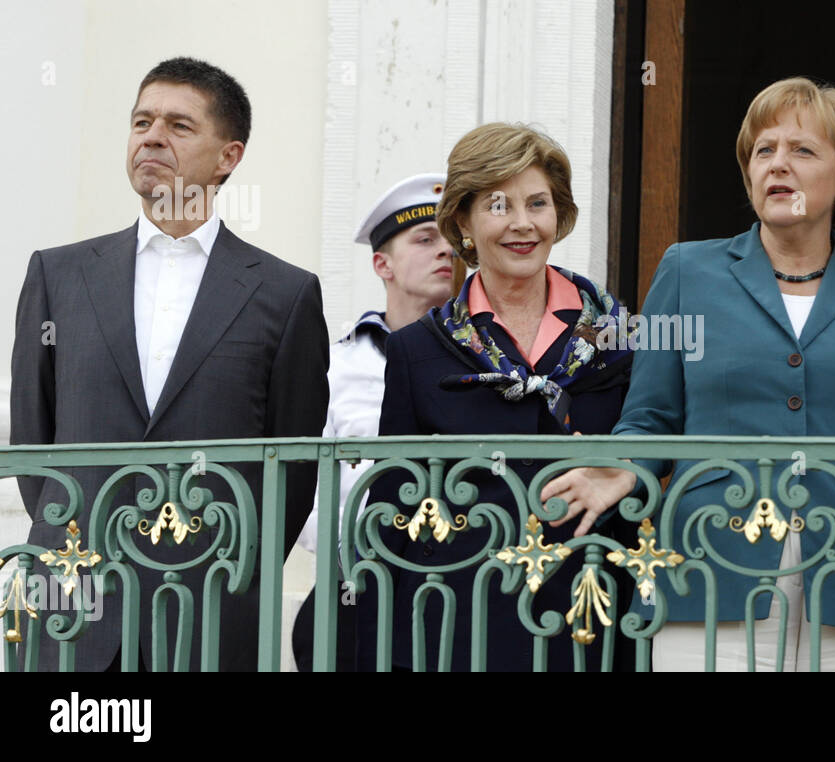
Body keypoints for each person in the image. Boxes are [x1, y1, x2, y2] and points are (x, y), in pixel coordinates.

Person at [543, 77, 835, 672]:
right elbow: (651, 419)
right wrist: (624, 464)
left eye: (802, 150)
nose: (778, 165)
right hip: (709, 576)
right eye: (763, 150)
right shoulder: (689, 270)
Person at [9, 57, 329, 671]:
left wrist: (238, 571)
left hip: (211, 609)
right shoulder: (58, 273)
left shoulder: (286, 294)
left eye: (179, 125)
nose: (152, 136)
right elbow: (34, 442)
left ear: (229, 156)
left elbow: (289, 466)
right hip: (73, 604)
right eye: (141, 121)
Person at [353, 123, 635, 671]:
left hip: (590, 613)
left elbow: (656, 443)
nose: (523, 224)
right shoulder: (417, 349)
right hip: (458, 618)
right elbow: (390, 507)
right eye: (500, 205)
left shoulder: (616, 335)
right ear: (463, 220)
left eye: (539, 204)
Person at [290, 173, 456, 671]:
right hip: (355, 588)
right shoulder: (335, 367)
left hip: (459, 589)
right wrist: (362, 552)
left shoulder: (488, 362)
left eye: (453, 240)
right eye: (425, 240)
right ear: (381, 263)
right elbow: (305, 487)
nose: (445, 252)